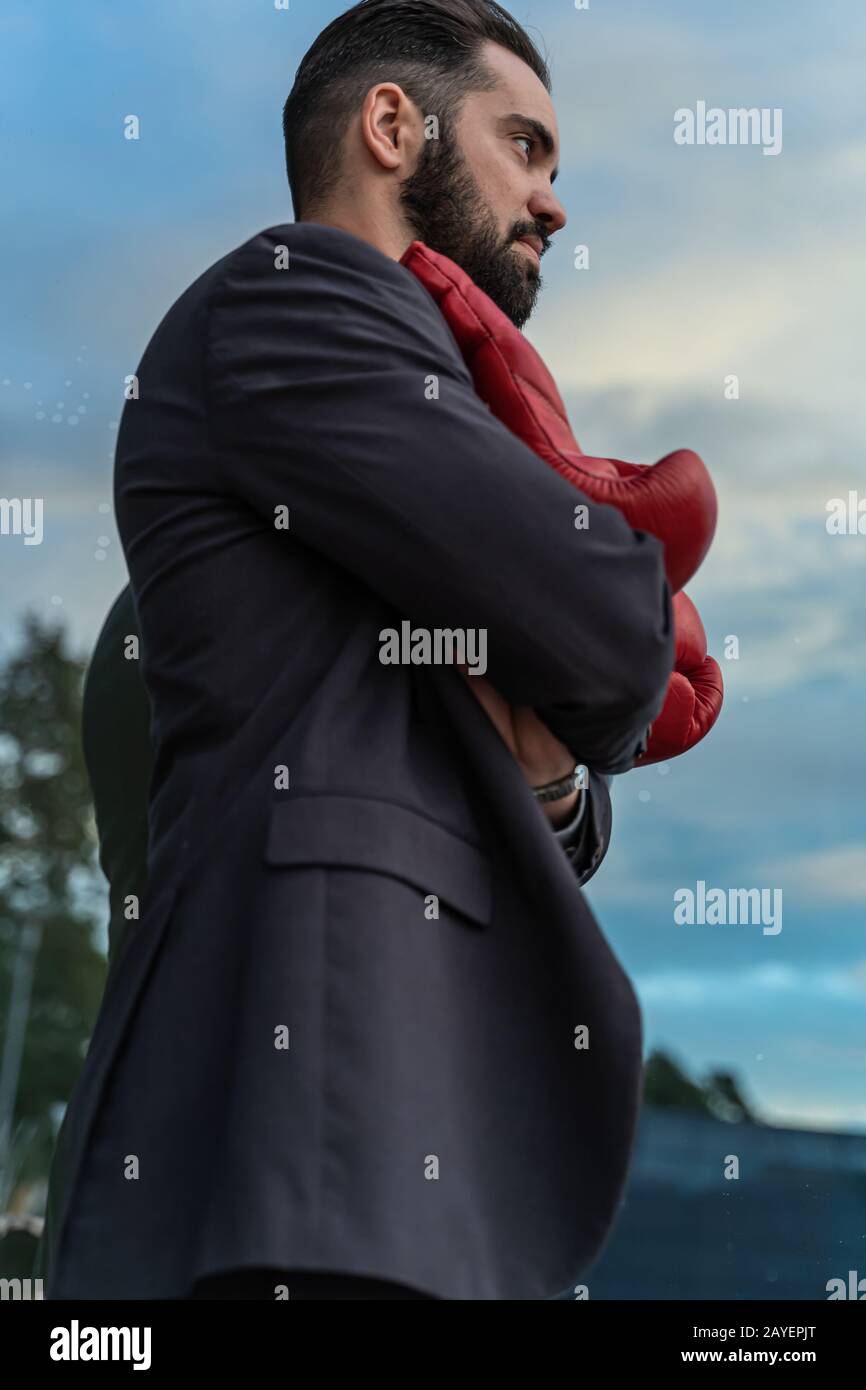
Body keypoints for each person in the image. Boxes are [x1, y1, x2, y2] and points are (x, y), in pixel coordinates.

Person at [38, 0, 673, 1300]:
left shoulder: (398, 419)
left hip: (398, 1149)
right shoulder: (299, 295)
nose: (552, 202)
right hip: (323, 1131)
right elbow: (609, 636)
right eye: (525, 145)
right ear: (394, 125)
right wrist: (598, 599)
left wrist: (550, 766)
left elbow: (560, 754)